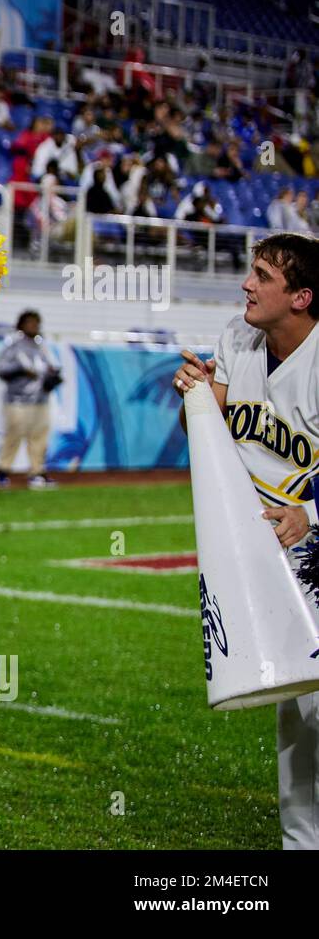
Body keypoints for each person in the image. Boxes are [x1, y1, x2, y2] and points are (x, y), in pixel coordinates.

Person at [171, 233, 319, 849]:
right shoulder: (238, 336)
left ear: (302, 296)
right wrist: (199, 395)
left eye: (262, 275)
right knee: (300, 702)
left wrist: (312, 512)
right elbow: (205, 429)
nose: (246, 284)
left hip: (312, 540)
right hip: (266, 548)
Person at [0, 310, 59, 489]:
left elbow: (52, 367)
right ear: (21, 325)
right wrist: (20, 371)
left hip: (40, 399)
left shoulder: (41, 345)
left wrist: (53, 378)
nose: (33, 327)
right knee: (14, 435)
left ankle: (37, 473)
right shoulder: (13, 344)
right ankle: (2, 472)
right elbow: (1, 369)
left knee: (39, 437)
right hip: (17, 399)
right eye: (29, 323)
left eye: (36, 323)